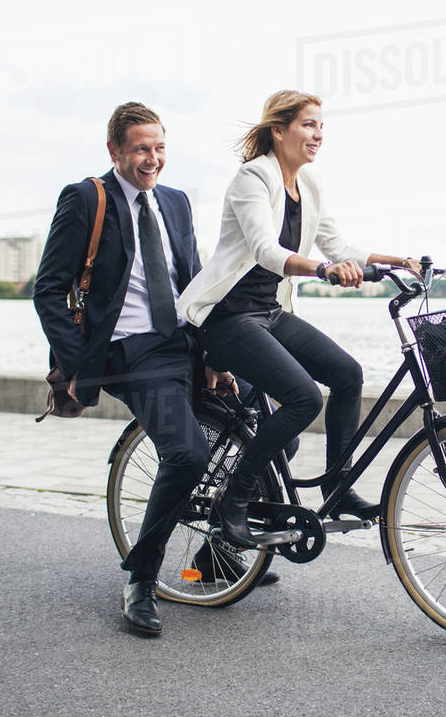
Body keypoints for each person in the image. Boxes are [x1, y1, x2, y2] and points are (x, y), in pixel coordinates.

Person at [33, 102, 276, 638]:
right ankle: (141, 579)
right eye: (141, 148)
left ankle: (221, 546)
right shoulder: (85, 199)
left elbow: (194, 276)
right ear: (115, 150)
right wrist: (75, 364)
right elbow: (48, 290)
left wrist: (214, 354)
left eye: (160, 147)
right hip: (130, 352)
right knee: (187, 453)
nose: (153, 159)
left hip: (185, 339)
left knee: (272, 424)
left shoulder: (175, 202)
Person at [177, 90, 419, 549]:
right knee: (304, 399)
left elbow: (338, 246)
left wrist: (396, 261)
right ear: (279, 130)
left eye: (321, 126)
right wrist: (324, 271)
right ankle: (234, 499)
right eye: (309, 125)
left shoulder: (309, 185)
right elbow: (268, 252)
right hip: (228, 318)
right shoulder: (253, 178)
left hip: (270, 313)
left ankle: (339, 487)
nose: (318, 135)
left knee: (347, 375)